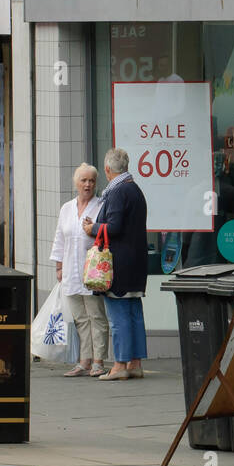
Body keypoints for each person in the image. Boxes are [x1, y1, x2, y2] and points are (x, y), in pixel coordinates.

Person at [82, 147, 148, 381]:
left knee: (118, 315)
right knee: (134, 313)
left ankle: (120, 364)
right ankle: (135, 363)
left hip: (118, 263)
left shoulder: (117, 191)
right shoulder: (135, 190)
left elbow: (115, 227)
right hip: (137, 261)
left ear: (108, 169)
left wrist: (93, 228)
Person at [51, 163, 109, 377]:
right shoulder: (67, 208)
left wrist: (92, 229)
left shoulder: (101, 206)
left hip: (93, 269)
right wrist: (58, 266)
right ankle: (84, 360)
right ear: (76, 183)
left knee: (96, 316)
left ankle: (98, 360)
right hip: (71, 270)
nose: (88, 184)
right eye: (84, 180)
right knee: (80, 318)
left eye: (92, 180)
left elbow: (106, 235)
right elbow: (59, 238)